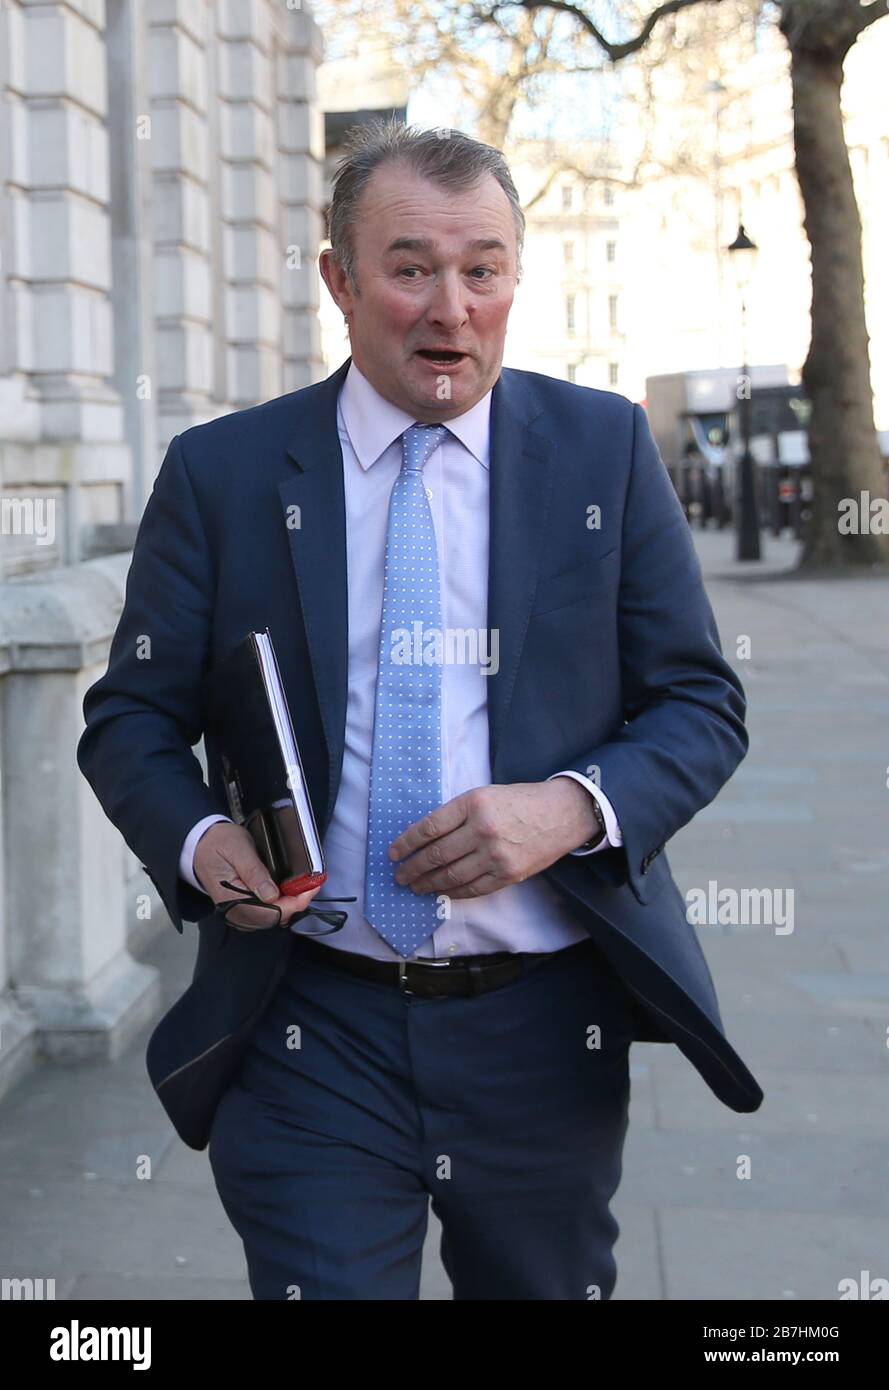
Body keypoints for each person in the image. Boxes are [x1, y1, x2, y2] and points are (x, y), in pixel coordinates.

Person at [77, 117, 763, 1301]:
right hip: (309, 1023)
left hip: (543, 1028)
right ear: (340, 281)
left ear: (512, 277)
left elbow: (700, 701)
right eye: (410, 269)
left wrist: (569, 807)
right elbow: (130, 713)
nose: (452, 308)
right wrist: (201, 842)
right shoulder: (222, 472)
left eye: (482, 269)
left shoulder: (601, 451)